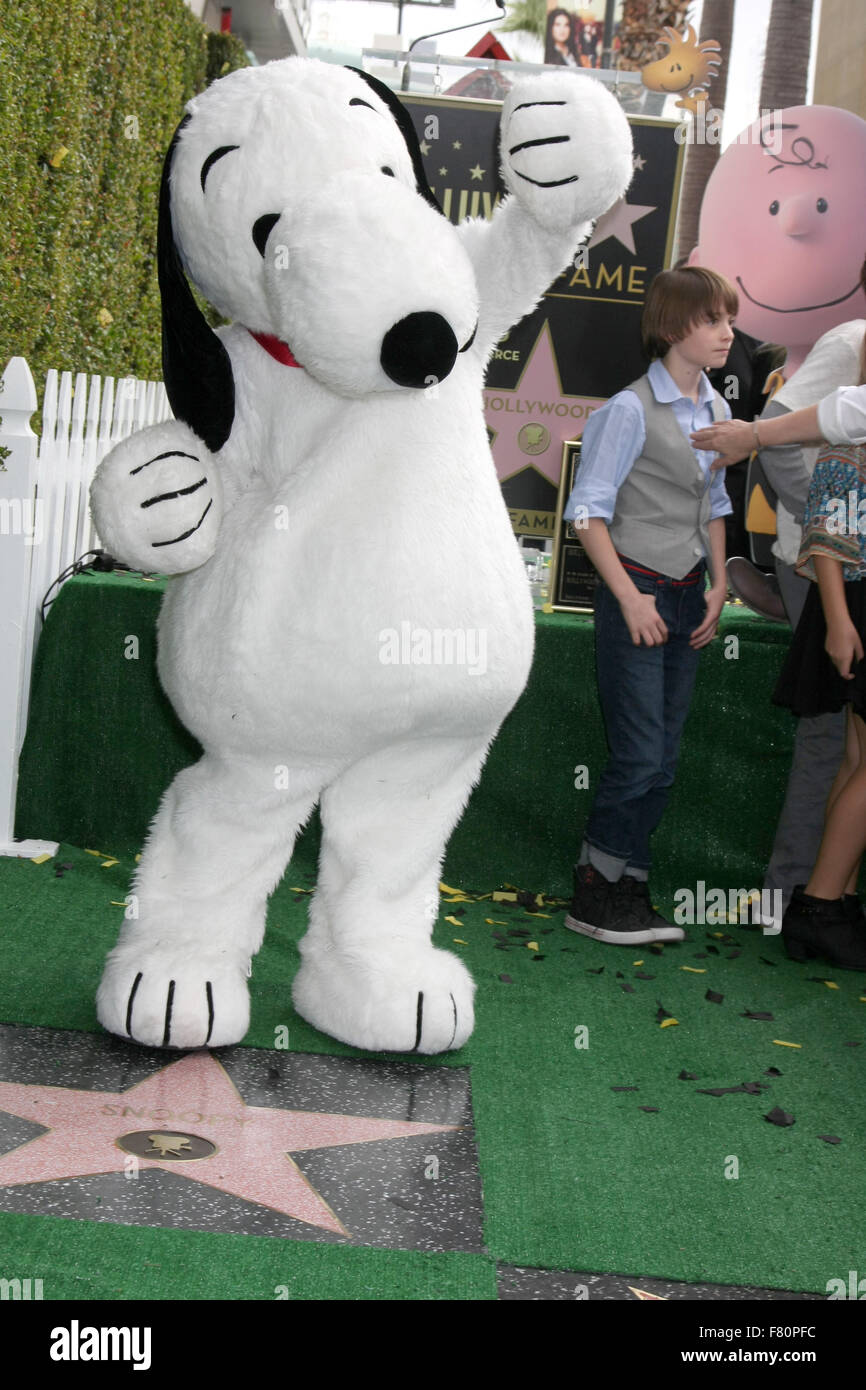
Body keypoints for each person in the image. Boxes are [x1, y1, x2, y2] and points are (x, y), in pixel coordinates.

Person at [563, 266, 735, 945]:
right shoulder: (628, 410)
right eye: (713, 319)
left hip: (692, 596)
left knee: (662, 758)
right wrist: (631, 598)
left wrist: (720, 583)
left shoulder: (717, 409)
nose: (727, 332)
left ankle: (629, 884)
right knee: (637, 756)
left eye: (728, 318)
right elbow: (586, 515)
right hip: (639, 592)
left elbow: (716, 506)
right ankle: (593, 891)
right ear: (672, 328)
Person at [772, 436, 866, 971]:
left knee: (855, 761)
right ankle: (821, 907)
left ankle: (838, 903)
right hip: (853, 607)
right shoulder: (850, 438)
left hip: (852, 608)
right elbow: (828, 534)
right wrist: (839, 622)